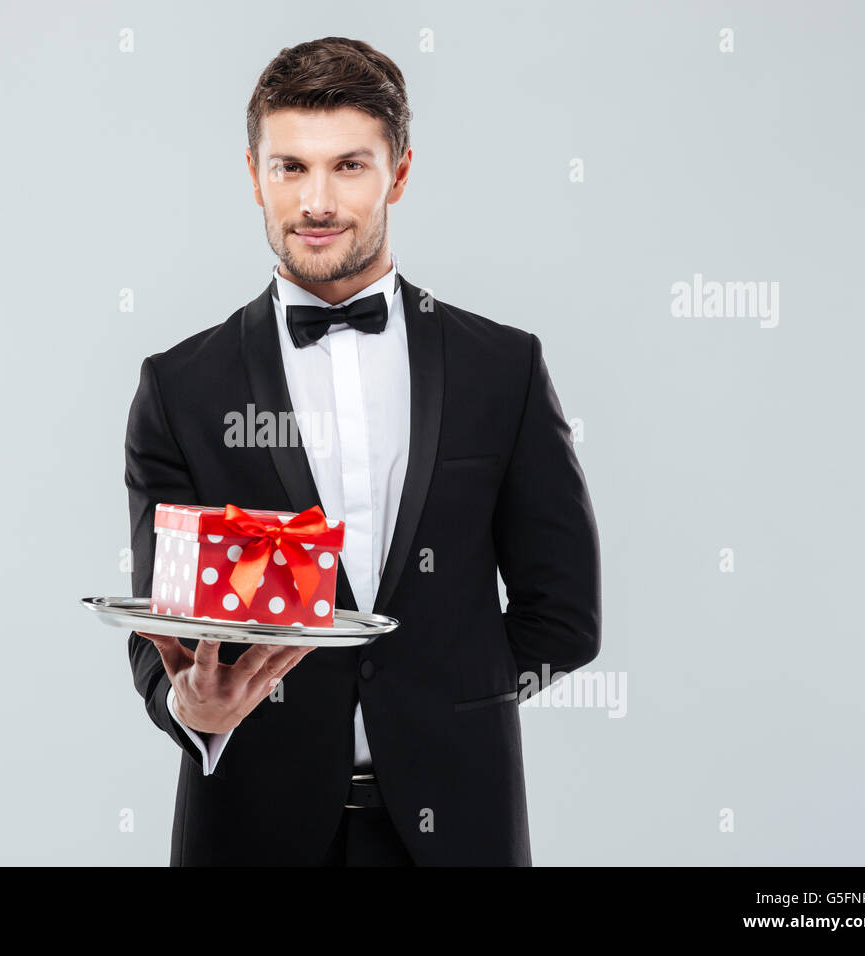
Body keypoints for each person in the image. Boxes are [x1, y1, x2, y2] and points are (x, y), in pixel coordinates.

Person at [125, 36, 601, 866]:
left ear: (400, 173)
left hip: (459, 830)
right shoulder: (180, 386)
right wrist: (190, 707)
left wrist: (447, 694)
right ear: (253, 175)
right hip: (248, 832)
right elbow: (158, 629)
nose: (316, 201)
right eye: (290, 168)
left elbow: (563, 616)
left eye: (349, 165)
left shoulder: (502, 367)